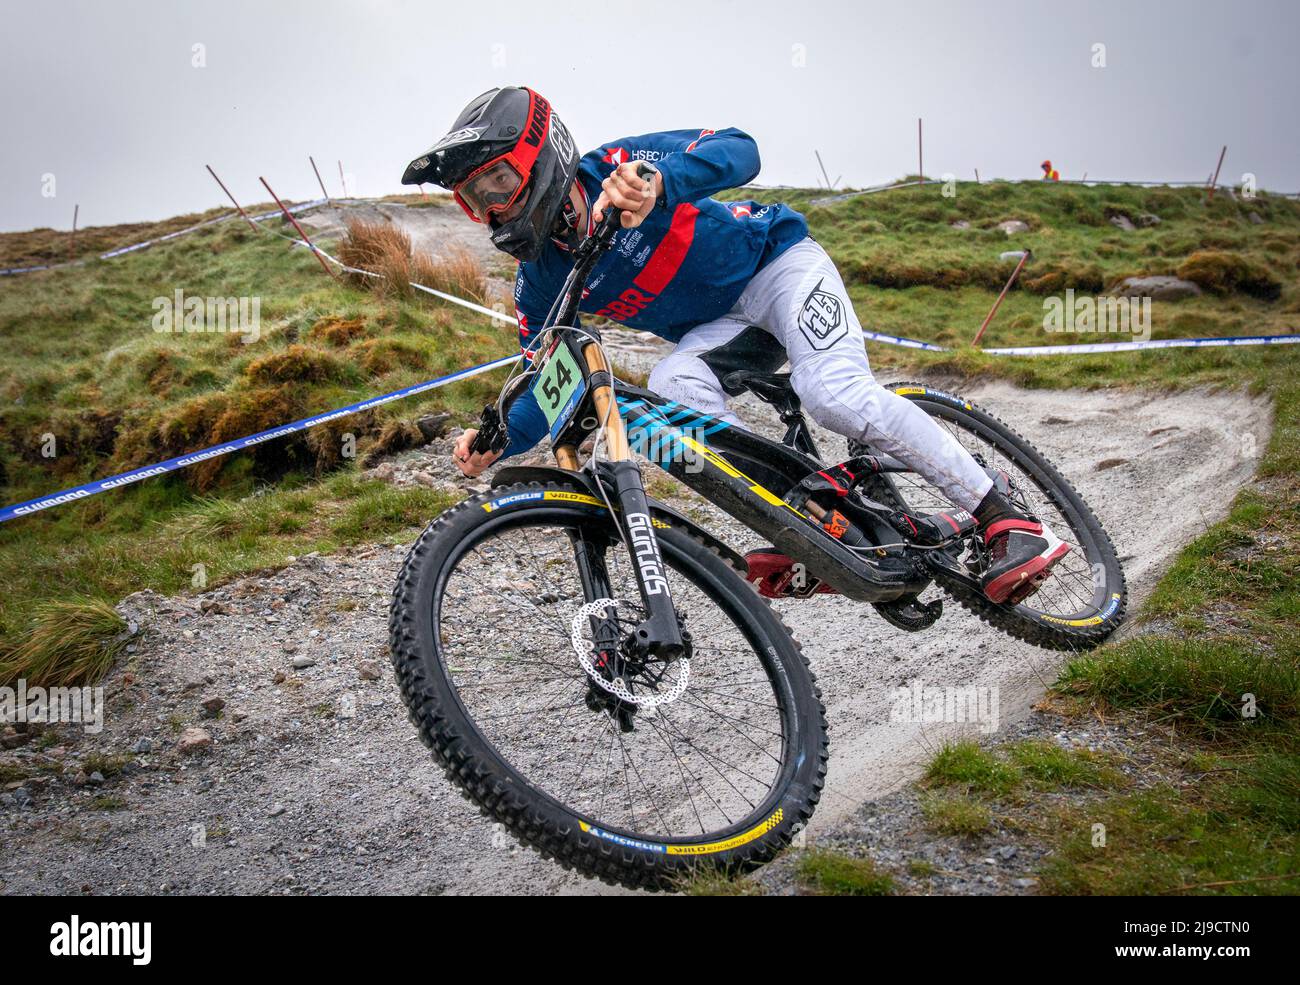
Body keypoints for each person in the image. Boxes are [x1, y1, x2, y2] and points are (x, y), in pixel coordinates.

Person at [401, 86, 1067, 603]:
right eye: (471, 198)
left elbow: (740, 148)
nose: (490, 210)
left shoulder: (617, 170)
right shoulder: (541, 279)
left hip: (780, 269)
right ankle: (812, 522)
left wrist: (660, 182)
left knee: (831, 394)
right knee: (668, 398)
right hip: (724, 331)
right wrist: (497, 440)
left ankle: (1002, 511)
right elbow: (545, 381)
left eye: (497, 184)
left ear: (543, 157)